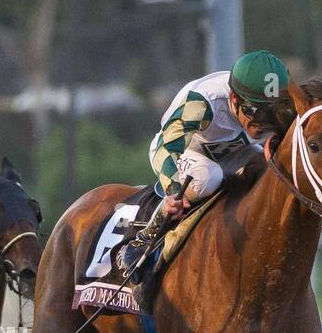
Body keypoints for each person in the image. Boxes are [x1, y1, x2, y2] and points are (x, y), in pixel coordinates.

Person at [120, 50, 291, 289]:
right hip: (185, 152)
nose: (262, 122)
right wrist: (174, 190)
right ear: (233, 98)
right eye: (253, 111)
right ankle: (145, 238)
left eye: (270, 112)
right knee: (207, 178)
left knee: (268, 170)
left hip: (230, 155)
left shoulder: (282, 106)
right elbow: (165, 148)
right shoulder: (204, 102)